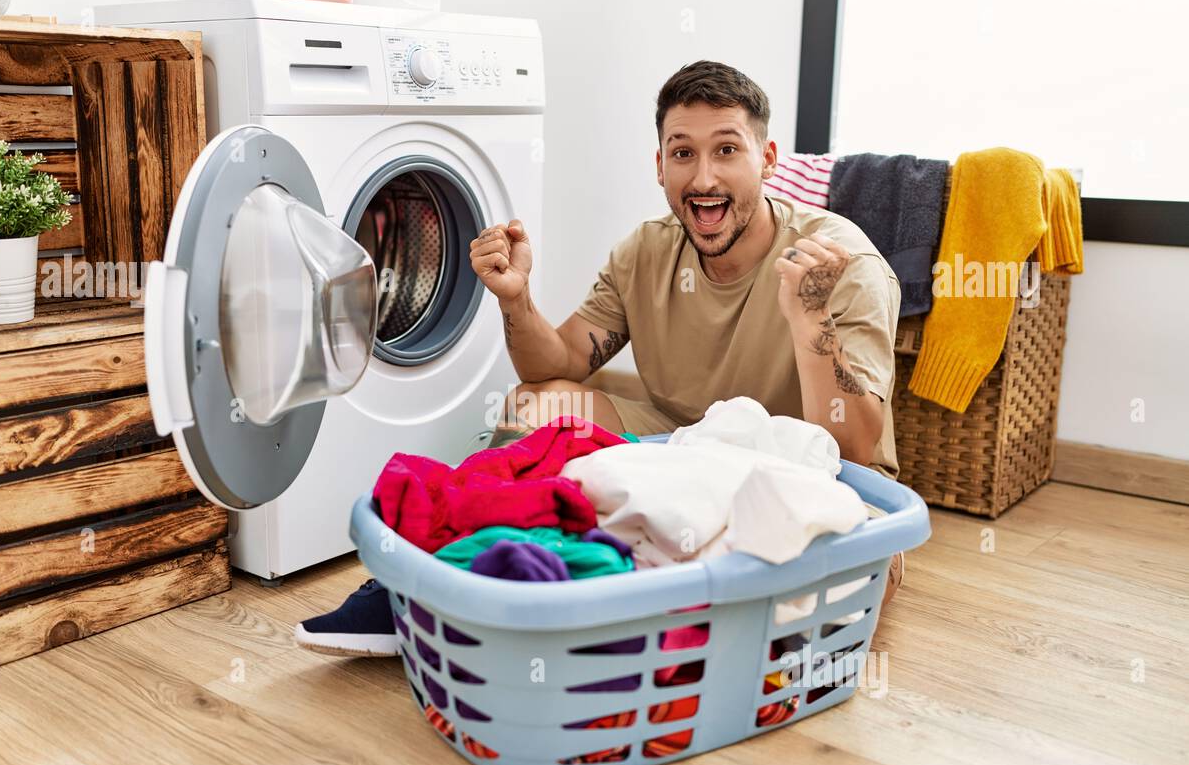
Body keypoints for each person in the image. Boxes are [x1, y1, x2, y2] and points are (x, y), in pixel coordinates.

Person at [296, 60, 902, 658]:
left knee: (821, 582)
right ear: (659, 164)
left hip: (813, 474)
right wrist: (516, 299)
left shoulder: (839, 263)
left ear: (766, 160)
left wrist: (811, 322)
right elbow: (554, 363)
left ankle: (551, 606)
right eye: (683, 153)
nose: (704, 179)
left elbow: (853, 448)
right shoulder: (647, 250)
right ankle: (455, 571)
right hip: (684, 447)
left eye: (727, 150)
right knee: (537, 405)